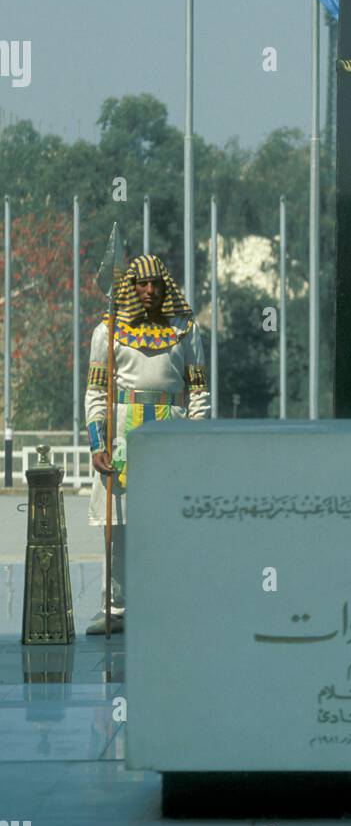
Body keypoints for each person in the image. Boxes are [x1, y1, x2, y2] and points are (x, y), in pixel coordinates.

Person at [84, 253, 210, 634]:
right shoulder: (107, 331)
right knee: (120, 523)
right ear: (130, 287)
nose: (149, 290)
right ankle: (117, 608)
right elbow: (95, 393)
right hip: (124, 434)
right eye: (142, 283)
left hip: (171, 433)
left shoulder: (185, 328)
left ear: (165, 287)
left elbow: (199, 391)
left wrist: (194, 439)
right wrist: (96, 443)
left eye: (156, 284)